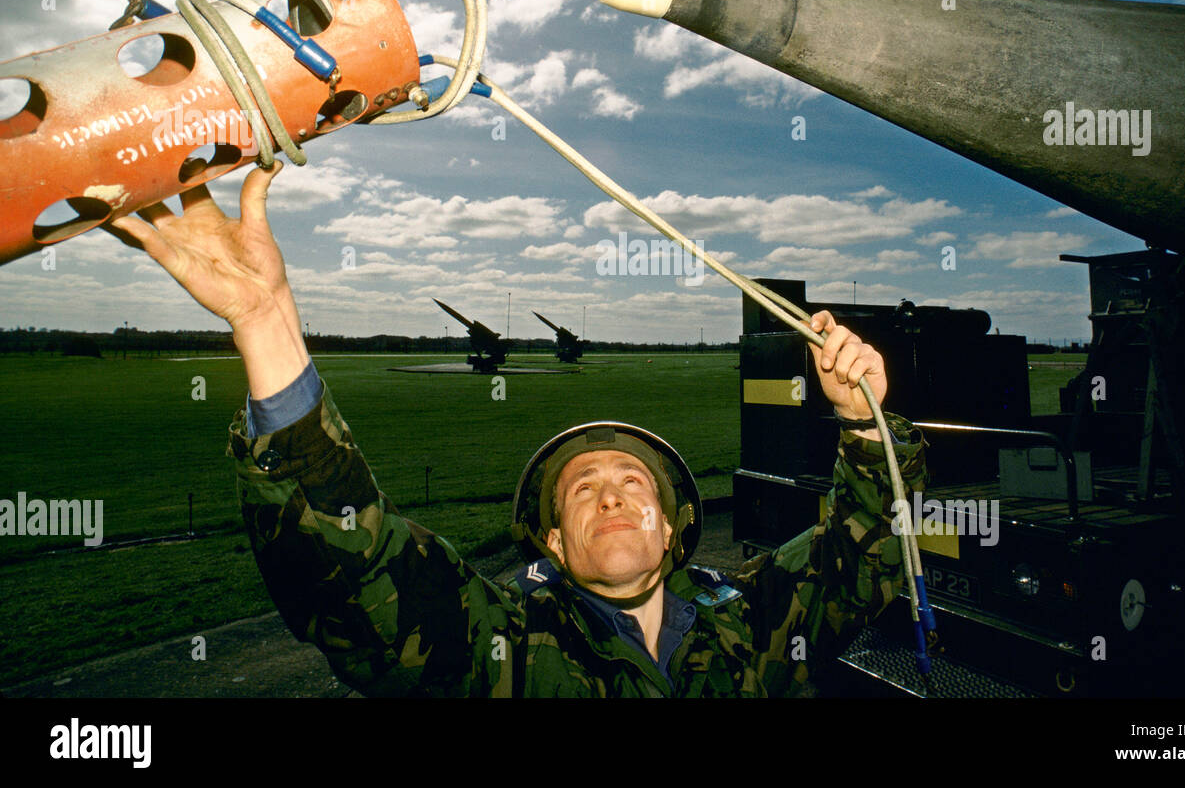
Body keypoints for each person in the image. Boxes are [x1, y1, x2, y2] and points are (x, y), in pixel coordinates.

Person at [104, 162, 927, 697]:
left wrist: (862, 420)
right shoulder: (502, 653)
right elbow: (356, 572)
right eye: (582, 490)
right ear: (555, 548)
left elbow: (870, 552)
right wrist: (267, 326)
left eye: (634, 481)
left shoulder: (760, 623)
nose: (611, 492)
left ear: (677, 532)